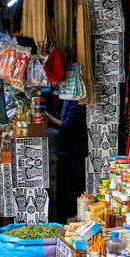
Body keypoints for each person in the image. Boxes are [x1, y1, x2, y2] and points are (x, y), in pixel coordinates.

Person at [42, 92, 88, 222]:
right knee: (62, 191)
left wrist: (48, 116)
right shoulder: (68, 100)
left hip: (74, 152)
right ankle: (62, 221)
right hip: (65, 151)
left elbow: (67, 125)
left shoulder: (77, 102)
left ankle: (71, 220)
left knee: (71, 192)